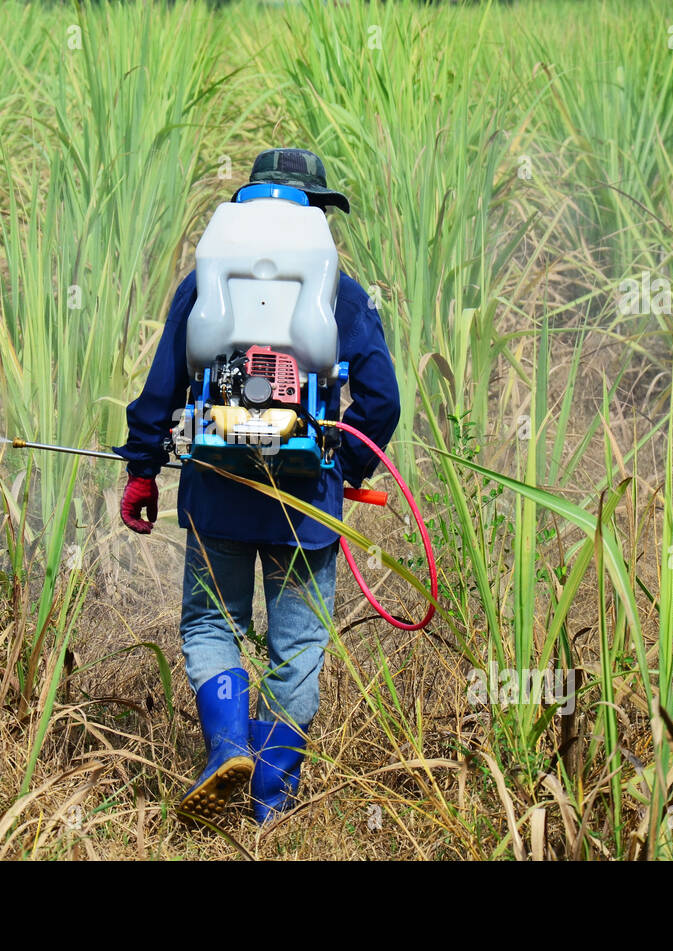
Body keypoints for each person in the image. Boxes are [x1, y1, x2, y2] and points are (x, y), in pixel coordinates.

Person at [114, 148, 400, 825]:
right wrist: (339, 464)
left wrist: (142, 470)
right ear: (314, 212)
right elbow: (382, 400)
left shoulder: (205, 281)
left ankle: (227, 749)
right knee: (296, 649)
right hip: (305, 508)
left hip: (217, 493)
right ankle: (269, 805)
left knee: (212, 622)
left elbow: (162, 387)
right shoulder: (340, 291)